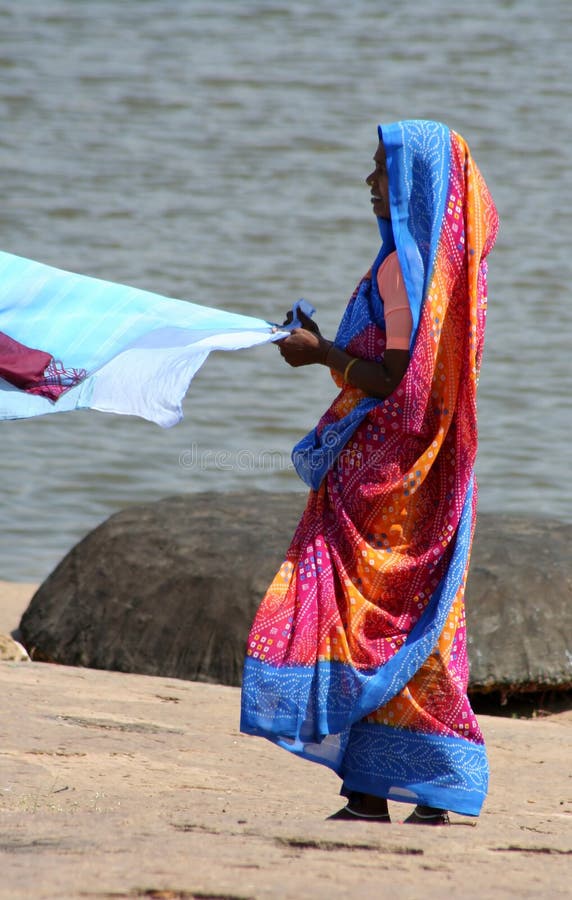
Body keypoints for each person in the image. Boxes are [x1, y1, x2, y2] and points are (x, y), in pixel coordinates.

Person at [240, 119, 499, 825]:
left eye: (382, 170)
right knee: (422, 622)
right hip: (439, 473)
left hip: (384, 480)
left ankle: (369, 790)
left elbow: (394, 379)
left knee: (355, 617)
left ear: (414, 182)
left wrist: (322, 353)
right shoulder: (455, 273)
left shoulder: (399, 270)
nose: (370, 183)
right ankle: (418, 787)